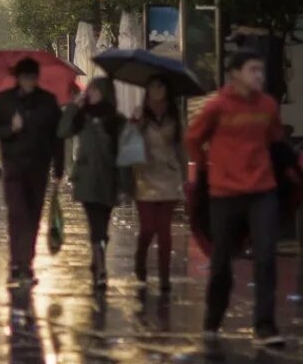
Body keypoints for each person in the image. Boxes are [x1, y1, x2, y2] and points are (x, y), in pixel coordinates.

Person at [187, 50, 285, 347]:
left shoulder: (267, 105)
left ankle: (265, 326)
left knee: (266, 256)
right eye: (253, 69)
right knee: (221, 262)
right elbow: (193, 139)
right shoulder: (217, 106)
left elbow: (275, 139)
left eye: (261, 70)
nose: (259, 76)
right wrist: (205, 168)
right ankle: (213, 319)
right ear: (236, 73)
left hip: (262, 191)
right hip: (225, 194)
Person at [0, 57, 65, 288]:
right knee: (17, 214)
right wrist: (10, 129)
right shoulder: (5, 101)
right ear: (18, 78)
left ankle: (26, 263)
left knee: (32, 217)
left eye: (32, 77)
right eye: (25, 77)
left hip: (38, 168)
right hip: (13, 167)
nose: (29, 81)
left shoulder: (48, 102)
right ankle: (16, 263)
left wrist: (59, 168)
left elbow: (57, 138)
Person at [58, 77, 126, 290]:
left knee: (102, 227)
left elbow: (124, 157)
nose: (90, 94)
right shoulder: (82, 116)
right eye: (90, 90)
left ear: (105, 93)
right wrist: (72, 108)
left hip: (108, 179)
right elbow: (62, 131)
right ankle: (101, 267)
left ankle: (98, 259)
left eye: (95, 90)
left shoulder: (116, 121)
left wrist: (124, 186)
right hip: (87, 179)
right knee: (95, 225)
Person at [132, 76, 184, 293]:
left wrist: (185, 177)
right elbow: (128, 144)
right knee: (148, 228)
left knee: (164, 231)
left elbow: (181, 147)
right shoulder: (140, 114)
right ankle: (140, 259)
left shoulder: (174, 115)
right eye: (153, 86)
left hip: (169, 177)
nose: (157, 89)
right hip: (144, 178)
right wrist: (135, 123)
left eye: (161, 85)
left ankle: (164, 277)